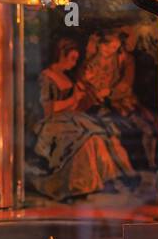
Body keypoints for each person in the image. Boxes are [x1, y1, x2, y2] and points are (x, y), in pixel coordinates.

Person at [32, 37, 133, 200]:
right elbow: (48, 109)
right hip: (51, 123)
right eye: (72, 59)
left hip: (69, 118)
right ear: (60, 56)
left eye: (76, 60)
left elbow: (73, 107)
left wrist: (79, 98)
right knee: (87, 139)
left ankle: (108, 179)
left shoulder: (66, 76)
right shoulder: (47, 77)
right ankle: (79, 185)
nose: (74, 63)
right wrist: (73, 99)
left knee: (97, 137)